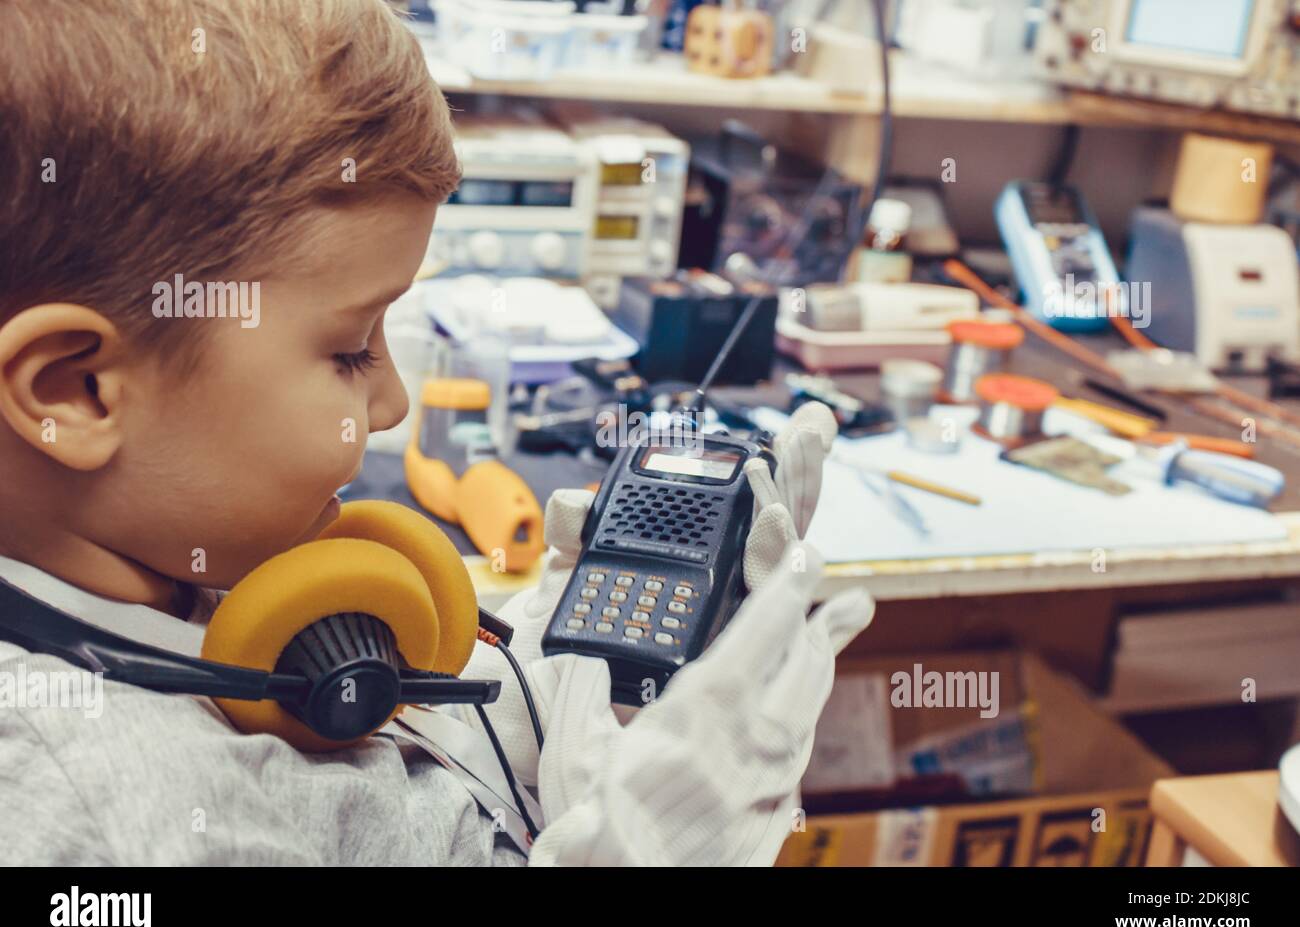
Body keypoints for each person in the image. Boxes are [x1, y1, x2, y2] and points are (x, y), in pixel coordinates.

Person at [0, 0, 874, 865]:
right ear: (75, 391)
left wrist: (561, 696)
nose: (393, 405)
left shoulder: (178, 558)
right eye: (348, 351)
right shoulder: (106, 820)